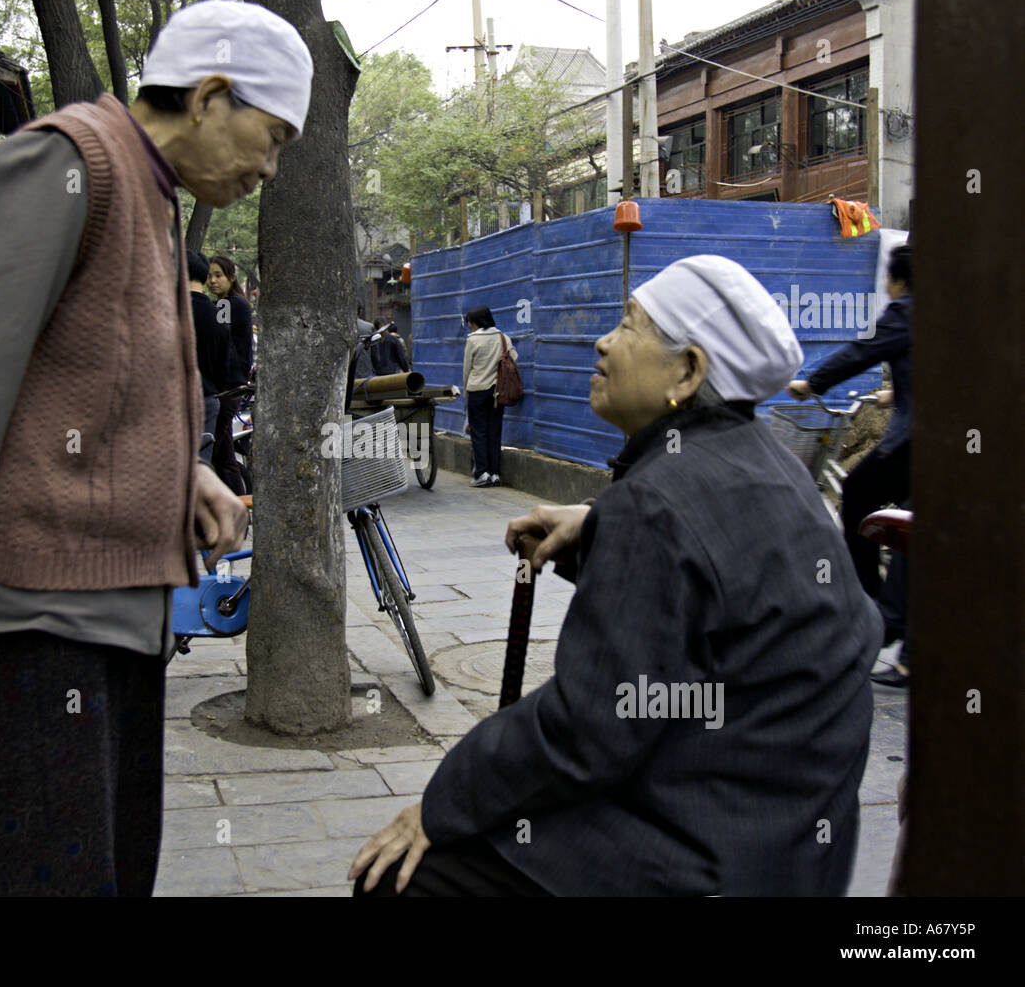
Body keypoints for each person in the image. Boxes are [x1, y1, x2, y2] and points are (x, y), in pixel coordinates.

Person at [0, 0, 311, 896]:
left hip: (112, 625)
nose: (270, 165)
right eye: (271, 136)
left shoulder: (150, 195)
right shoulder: (64, 165)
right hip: (34, 630)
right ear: (212, 95)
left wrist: (179, 472)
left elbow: (78, 382)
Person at [351, 255, 879, 896]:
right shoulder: (768, 464)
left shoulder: (657, 504)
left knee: (404, 879)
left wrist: (441, 804)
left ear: (686, 372)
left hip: (702, 843)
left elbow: (586, 730)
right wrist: (601, 523)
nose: (604, 340)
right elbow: (713, 564)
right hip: (784, 836)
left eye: (630, 326)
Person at [788, 244, 912, 686]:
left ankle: (874, 608)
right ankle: (900, 639)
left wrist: (811, 381)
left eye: (887, 279)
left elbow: (862, 351)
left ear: (896, 281)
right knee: (910, 528)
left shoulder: (904, 313)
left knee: (859, 495)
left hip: (915, 441)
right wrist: (894, 394)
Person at [205, 255, 252, 494]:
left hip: (227, 387)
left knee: (216, 451)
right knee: (224, 454)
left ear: (231, 277)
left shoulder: (228, 304)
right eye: (209, 275)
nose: (212, 281)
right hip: (230, 386)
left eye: (218, 275)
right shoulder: (226, 303)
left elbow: (223, 344)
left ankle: (237, 509)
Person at [187, 249, 235, 463]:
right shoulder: (218, 316)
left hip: (173, 400)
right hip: (208, 399)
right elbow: (224, 367)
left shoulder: (168, 312)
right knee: (201, 467)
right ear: (205, 278)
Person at [461, 305, 517, 487]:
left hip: (477, 389)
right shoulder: (503, 337)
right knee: (494, 431)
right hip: (497, 392)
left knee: (478, 432)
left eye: (469, 322)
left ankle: (481, 473)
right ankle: (495, 473)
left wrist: (466, 391)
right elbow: (514, 358)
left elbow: (467, 368)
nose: (469, 326)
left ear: (476, 322)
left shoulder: (473, 340)